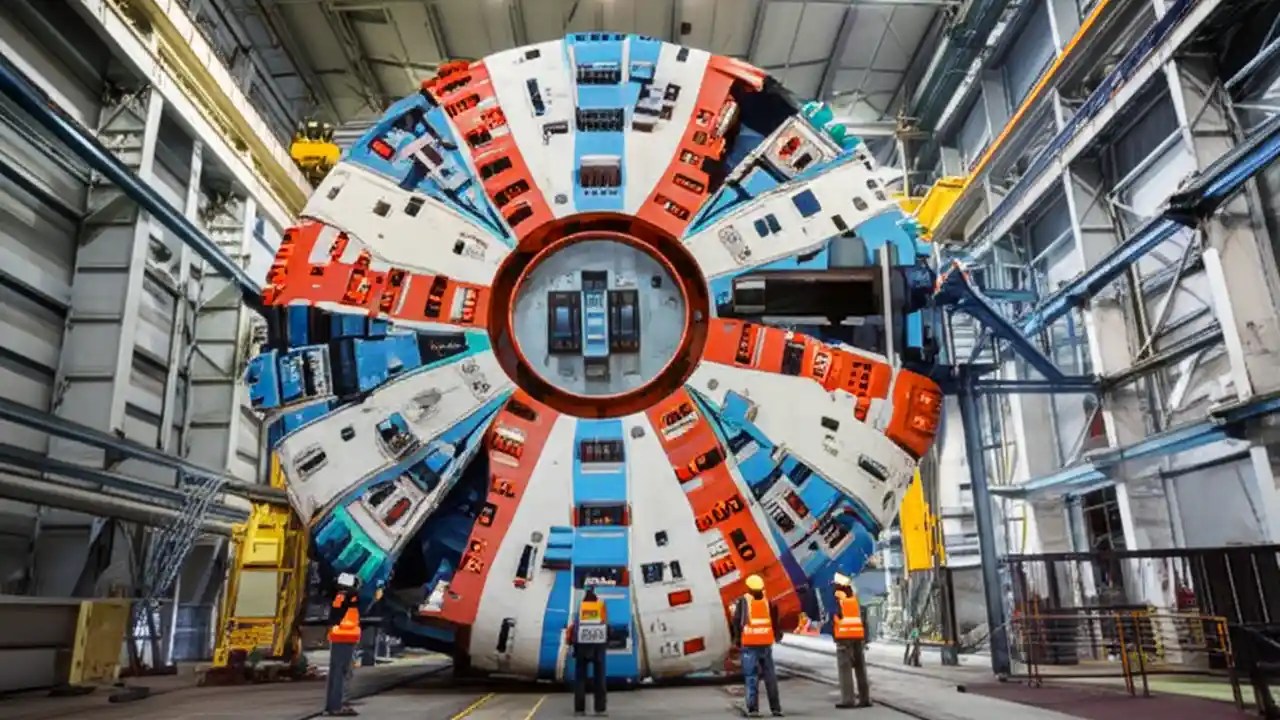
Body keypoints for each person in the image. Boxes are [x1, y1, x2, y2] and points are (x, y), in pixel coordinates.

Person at [732, 574, 783, 718]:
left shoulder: (744, 601)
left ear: (749, 588)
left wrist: (737, 639)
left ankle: (753, 709)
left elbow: (737, 621)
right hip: (766, 643)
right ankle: (776, 709)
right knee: (770, 677)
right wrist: (777, 635)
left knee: (751, 677)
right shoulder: (769, 602)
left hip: (749, 644)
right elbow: (775, 621)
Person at [325, 573, 362, 716]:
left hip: (341, 638)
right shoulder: (347, 598)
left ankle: (333, 705)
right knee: (341, 673)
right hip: (344, 638)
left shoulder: (341, 597)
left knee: (337, 673)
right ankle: (337, 706)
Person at [832, 573, 870, 709]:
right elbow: (862, 616)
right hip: (858, 635)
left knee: (845, 670)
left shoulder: (836, 596)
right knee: (860, 668)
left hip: (844, 636)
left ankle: (848, 700)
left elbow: (833, 615)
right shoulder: (854, 596)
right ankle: (865, 698)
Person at [572, 585, 608, 717]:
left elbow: (576, 626)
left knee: (581, 679)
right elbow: (605, 624)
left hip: (582, 646)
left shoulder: (581, 607)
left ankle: (580, 709)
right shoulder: (600, 606)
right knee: (600, 677)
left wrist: (575, 645)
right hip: (598, 646)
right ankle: (600, 708)